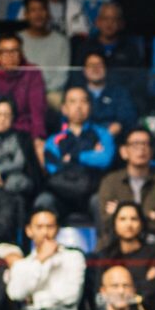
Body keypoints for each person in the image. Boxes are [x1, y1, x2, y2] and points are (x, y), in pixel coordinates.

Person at [3, 208, 86, 310]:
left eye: (50, 226)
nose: (45, 232)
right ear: (29, 231)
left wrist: (36, 296)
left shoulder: (73, 257)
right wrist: (41, 260)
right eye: (39, 227)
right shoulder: (23, 263)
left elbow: (70, 297)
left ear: (57, 230)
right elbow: (15, 294)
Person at [41, 86, 116, 222]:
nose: (79, 107)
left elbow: (105, 159)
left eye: (83, 101)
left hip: (92, 192)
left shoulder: (103, 134)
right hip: (62, 194)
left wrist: (74, 157)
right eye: (73, 102)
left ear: (90, 106)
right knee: (44, 202)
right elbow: (53, 168)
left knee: (100, 202)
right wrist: (91, 155)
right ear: (64, 108)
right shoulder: (54, 140)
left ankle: (106, 243)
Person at [96, 127, 155, 245]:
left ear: (151, 151)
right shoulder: (111, 182)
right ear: (124, 151)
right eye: (135, 144)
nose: (141, 149)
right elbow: (107, 222)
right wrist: (149, 216)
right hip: (118, 247)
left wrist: (122, 214)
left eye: (145, 144)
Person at [93, 201, 155, 310]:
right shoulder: (106, 255)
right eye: (122, 219)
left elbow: (153, 290)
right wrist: (141, 285)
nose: (129, 224)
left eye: (134, 219)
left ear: (141, 223)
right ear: (114, 223)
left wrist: (116, 289)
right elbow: (100, 294)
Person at [18, 0, 71, 106]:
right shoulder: (17, 40)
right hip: (22, 91)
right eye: (33, 10)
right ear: (26, 15)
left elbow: (62, 75)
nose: (38, 14)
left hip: (50, 93)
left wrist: (40, 91)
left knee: (58, 100)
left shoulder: (61, 41)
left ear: (48, 14)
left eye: (42, 9)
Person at [76, 51, 138, 140]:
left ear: (105, 69)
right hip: (82, 140)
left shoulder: (119, 92)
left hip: (115, 139)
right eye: (91, 65)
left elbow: (129, 117)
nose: (95, 68)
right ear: (84, 71)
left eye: (99, 65)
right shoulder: (77, 93)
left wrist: (118, 126)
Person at [71, 1, 146, 72]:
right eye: (105, 19)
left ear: (121, 24)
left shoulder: (131, 49)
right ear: (97, 22)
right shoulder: (85, 48)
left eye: (114, 19)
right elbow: (77, 77)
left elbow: (138, 79)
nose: (109, 23)